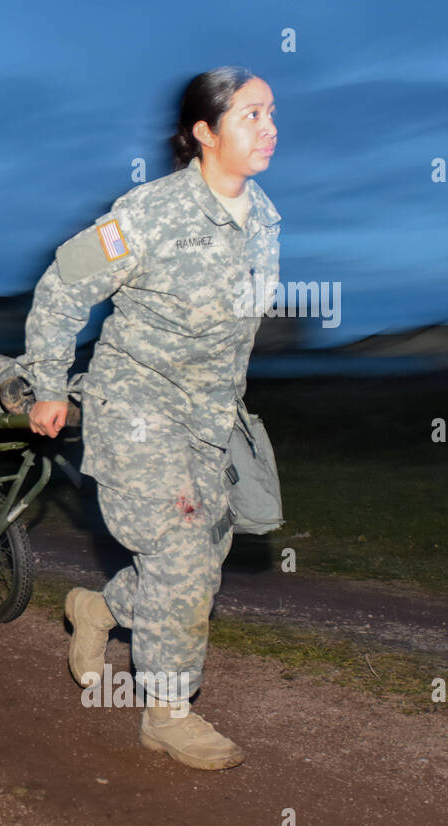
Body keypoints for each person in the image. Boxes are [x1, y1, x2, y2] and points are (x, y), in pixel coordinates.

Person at [22, 67, 280, 771]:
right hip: (135, 407)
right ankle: (167, 712)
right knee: (180, 550)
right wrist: (49, 383)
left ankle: (99, 611)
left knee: (206, 557)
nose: (269, 127)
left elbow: (236, 335)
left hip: (207, 419)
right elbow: (64, 284)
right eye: (251, 115)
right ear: (204, 131)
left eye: (271, 113)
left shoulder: (265, 220)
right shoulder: (149, 211)